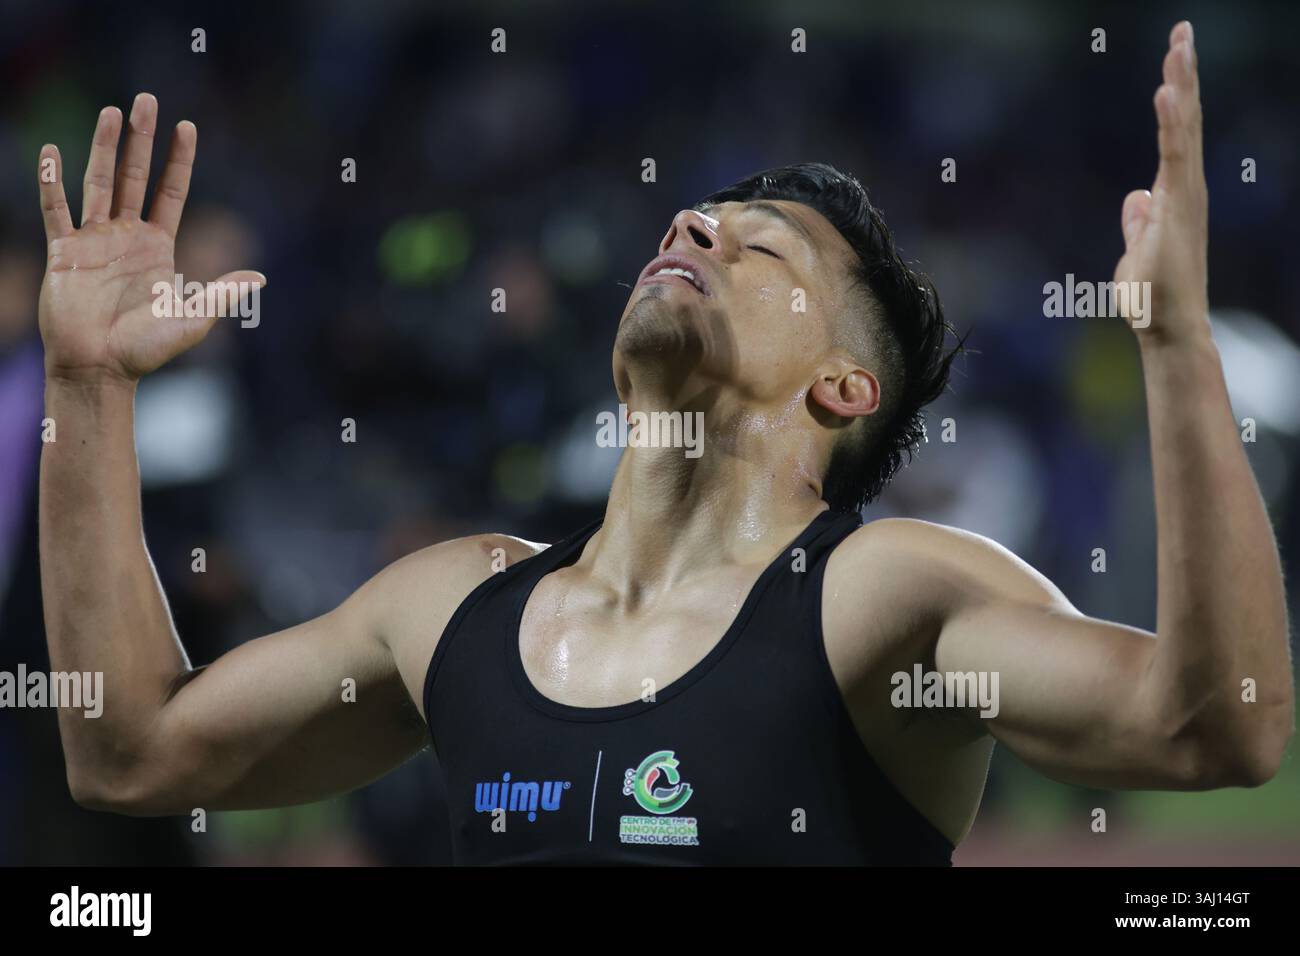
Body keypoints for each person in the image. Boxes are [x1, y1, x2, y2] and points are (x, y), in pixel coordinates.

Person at [34, 21, 1292, 864]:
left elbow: (1216, 727)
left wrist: (1178, 349)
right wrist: (87, 387)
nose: (695, 224)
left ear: (845, 386)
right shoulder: (453, 606)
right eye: (700, 215)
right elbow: (128, 746)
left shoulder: (880, 597)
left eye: (764, 249)